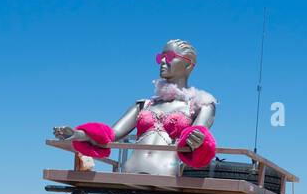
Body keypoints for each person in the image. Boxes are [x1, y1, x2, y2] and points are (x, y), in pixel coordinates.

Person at [53, 39, 218, 175]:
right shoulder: (144, 105)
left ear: (188, 65)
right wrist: (78, 134)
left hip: (166, 172)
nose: (162, 61)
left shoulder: (201, 105)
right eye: (160, 57)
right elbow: (111, 134)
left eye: (169, 57)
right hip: (130, 170)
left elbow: (199, 137)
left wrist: (198, 141)